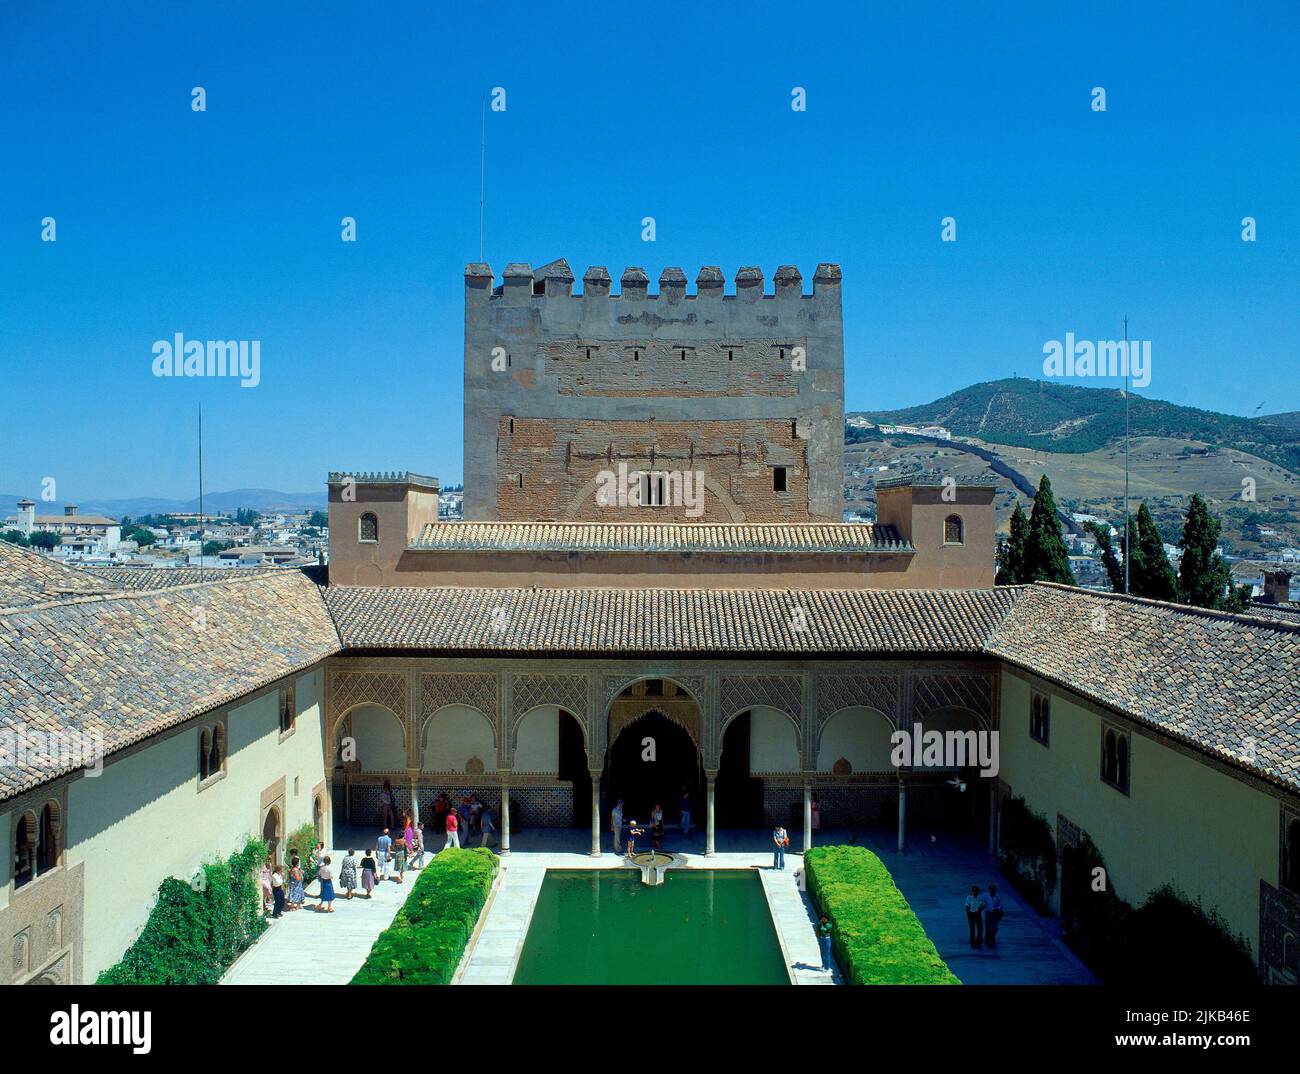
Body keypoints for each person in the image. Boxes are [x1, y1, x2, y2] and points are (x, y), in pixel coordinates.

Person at [985, 884, 1003, 948]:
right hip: (988, 913)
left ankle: (992, 937)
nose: (992, 890)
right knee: (988, 927)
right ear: (989, 890)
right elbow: (981, 902)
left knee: (995, 927)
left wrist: (997, 909)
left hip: (995, 913)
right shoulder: (985, 896)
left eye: (993, 889)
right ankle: (989, 940)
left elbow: (1000, 905)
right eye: (991, 889)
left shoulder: (998, 896)